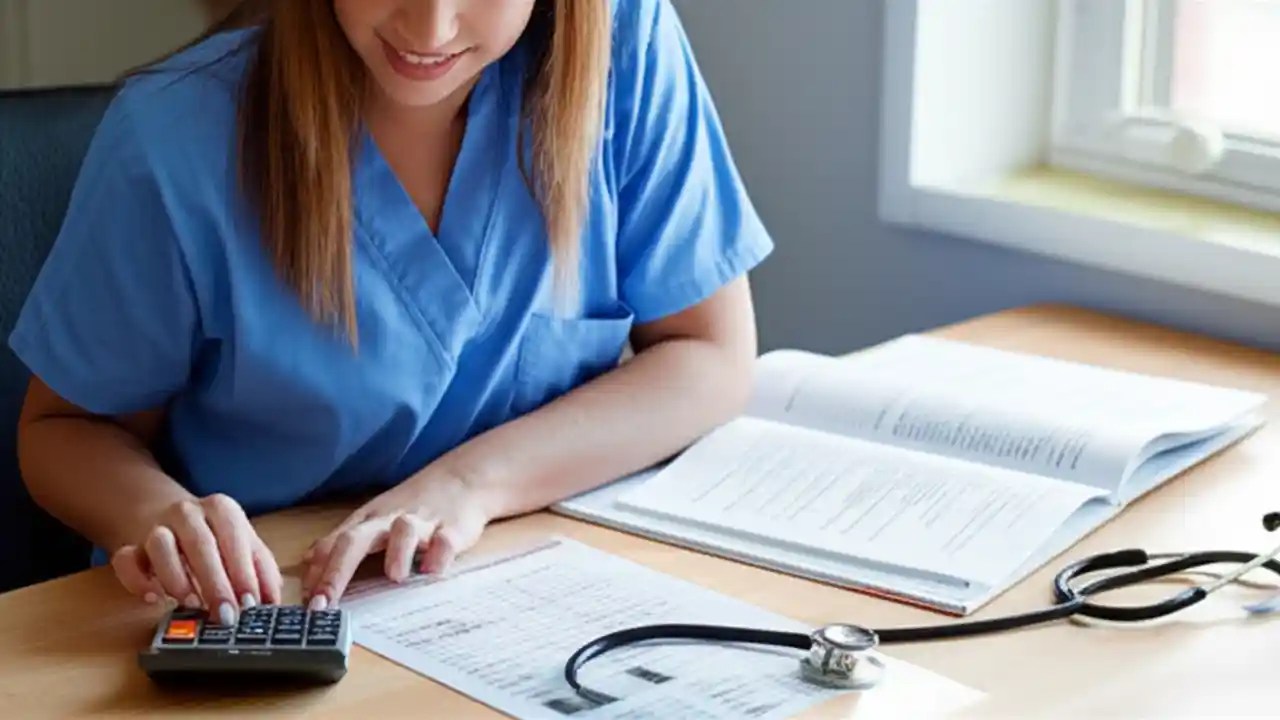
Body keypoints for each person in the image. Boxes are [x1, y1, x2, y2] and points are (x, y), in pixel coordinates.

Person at [10, 0, 771, 629]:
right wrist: (153, 513)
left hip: (537, 603)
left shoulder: (622, 45)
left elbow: (708, 352)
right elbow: (64, 430)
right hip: (264, 616)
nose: (430, 27)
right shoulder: (175, 137)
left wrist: (470, 487)